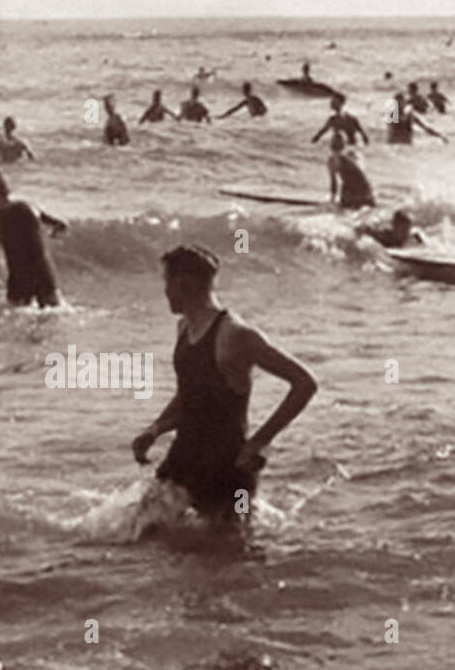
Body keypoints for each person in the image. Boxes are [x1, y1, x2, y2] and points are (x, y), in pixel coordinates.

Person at [131, 245, 317, 521]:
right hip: (184, 456)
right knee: (143, 530)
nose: (165, 292)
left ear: (183, 283)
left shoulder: (235, 335)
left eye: (166, 282)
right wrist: (155, 429)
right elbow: (190, 394)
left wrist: (259, 442)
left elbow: (304, 383)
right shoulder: (184, 327)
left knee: (232, 550)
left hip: (229, 469)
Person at [0, 172, 65, 307]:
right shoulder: (31, 208)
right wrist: (52, 234)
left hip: (20, 281)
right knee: (52, 316)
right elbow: (61, 225)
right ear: (8, 191)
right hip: (44, 274)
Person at [326, 134, 374, 210]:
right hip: (359, 190)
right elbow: (362, 178)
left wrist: (333, 200)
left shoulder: (332, 161)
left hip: (358, 191)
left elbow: (334, 184)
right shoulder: (347, 159)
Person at [358, 209, 425, 249]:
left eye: (406, 229)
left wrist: (422, 243)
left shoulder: (411, 235)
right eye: (402, 229)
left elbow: (417, 235)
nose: (404, 232)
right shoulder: (387, 238)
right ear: (395, 226)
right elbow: (372, 233)